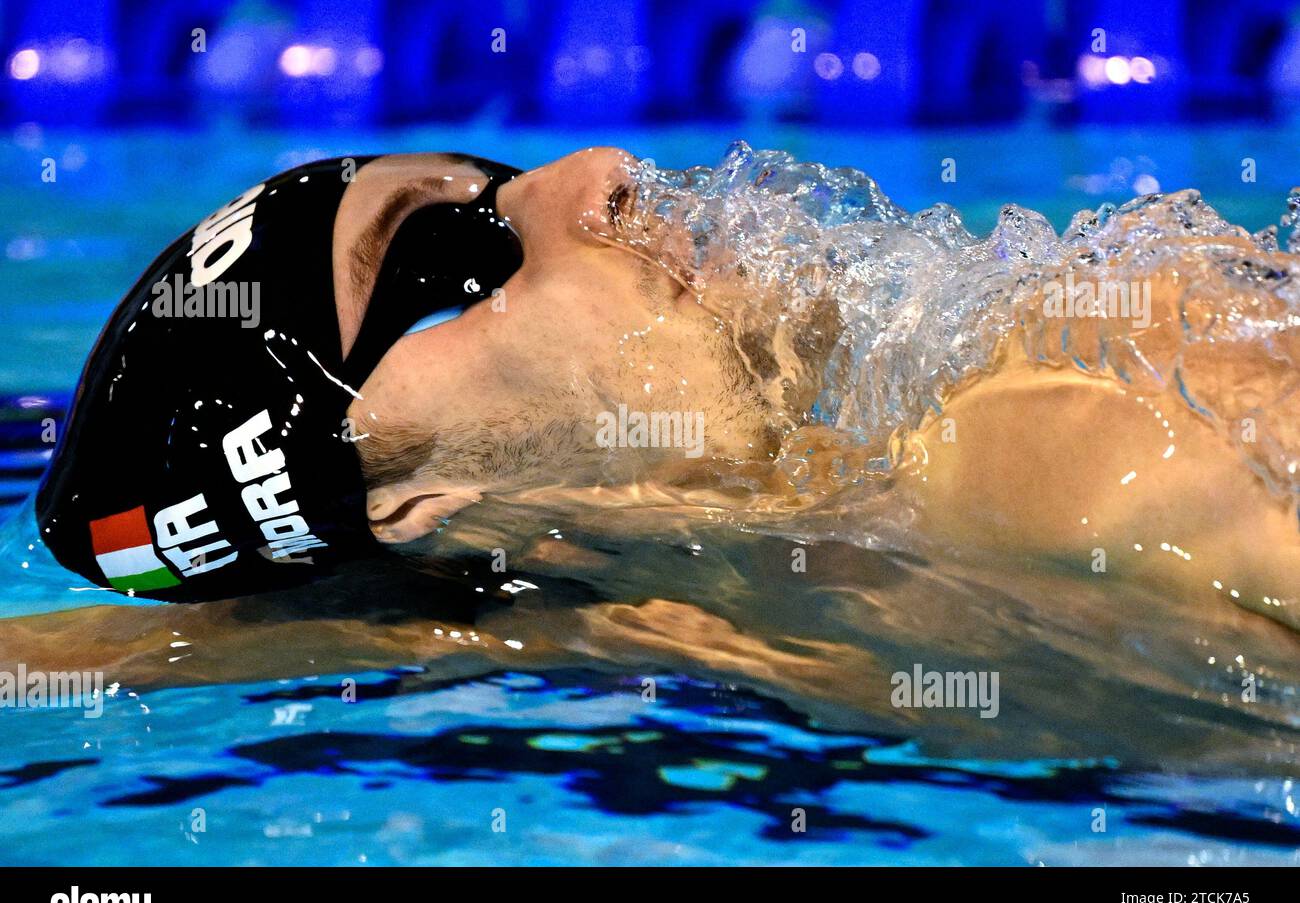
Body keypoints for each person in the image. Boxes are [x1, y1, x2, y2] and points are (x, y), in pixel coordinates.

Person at [34, 148, 1298, 629]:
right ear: (424, 507)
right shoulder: (669, 606)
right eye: (449, 264)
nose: (599, 171)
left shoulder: (1089, 380)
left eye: (489, 185)